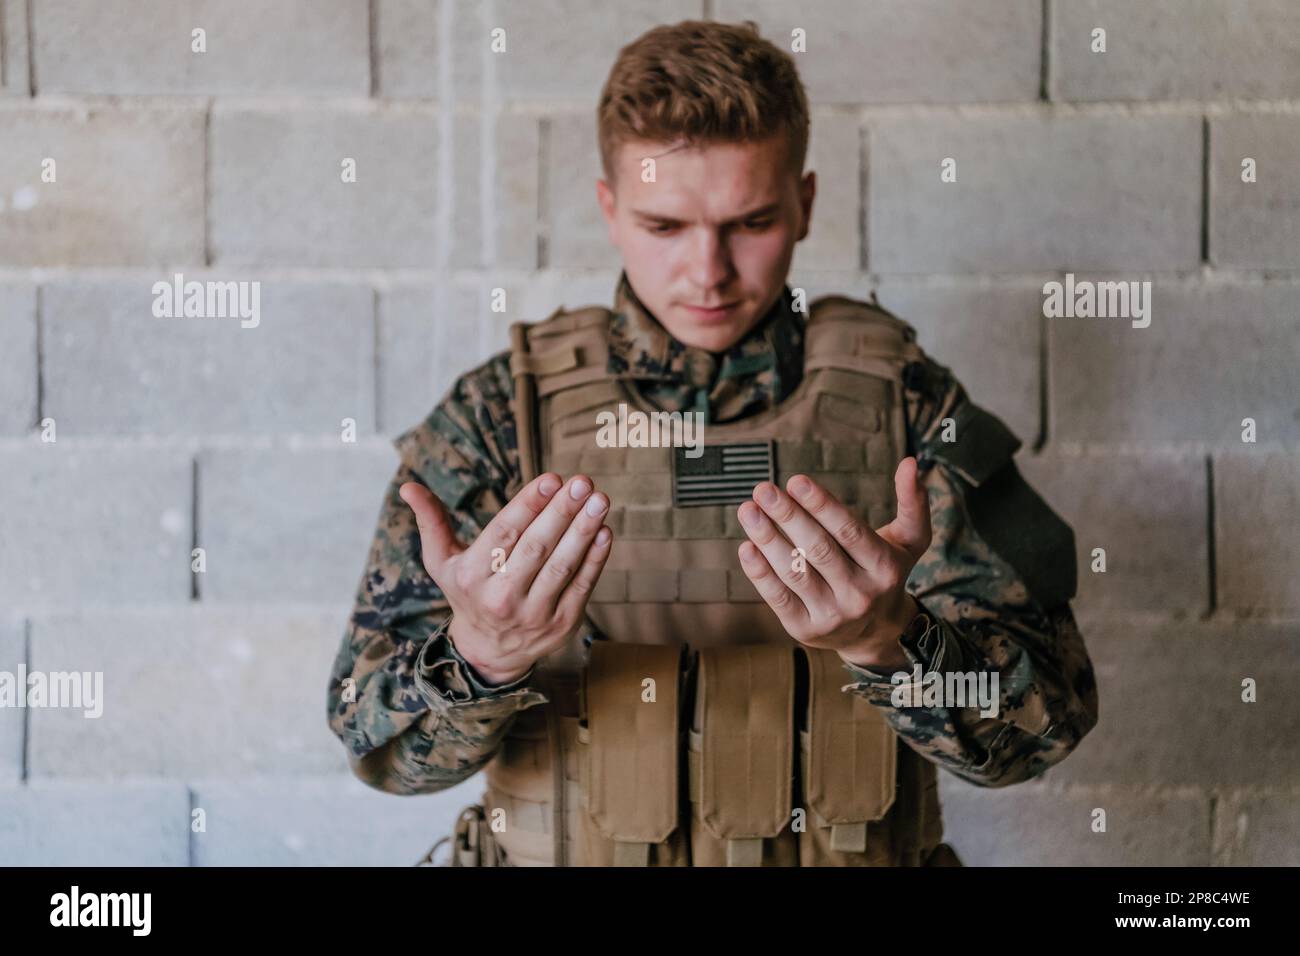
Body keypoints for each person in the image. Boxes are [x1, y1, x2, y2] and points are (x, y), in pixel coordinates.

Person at [327, 19, 1098, 867]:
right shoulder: (499, 415)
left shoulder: (907, 400)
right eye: (666, 227)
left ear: (804, 203)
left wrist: (895, 640)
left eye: (751, 221)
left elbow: (1043, 727)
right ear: (609, 209)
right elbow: (381, 752)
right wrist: (477, 657)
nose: (709, 271)